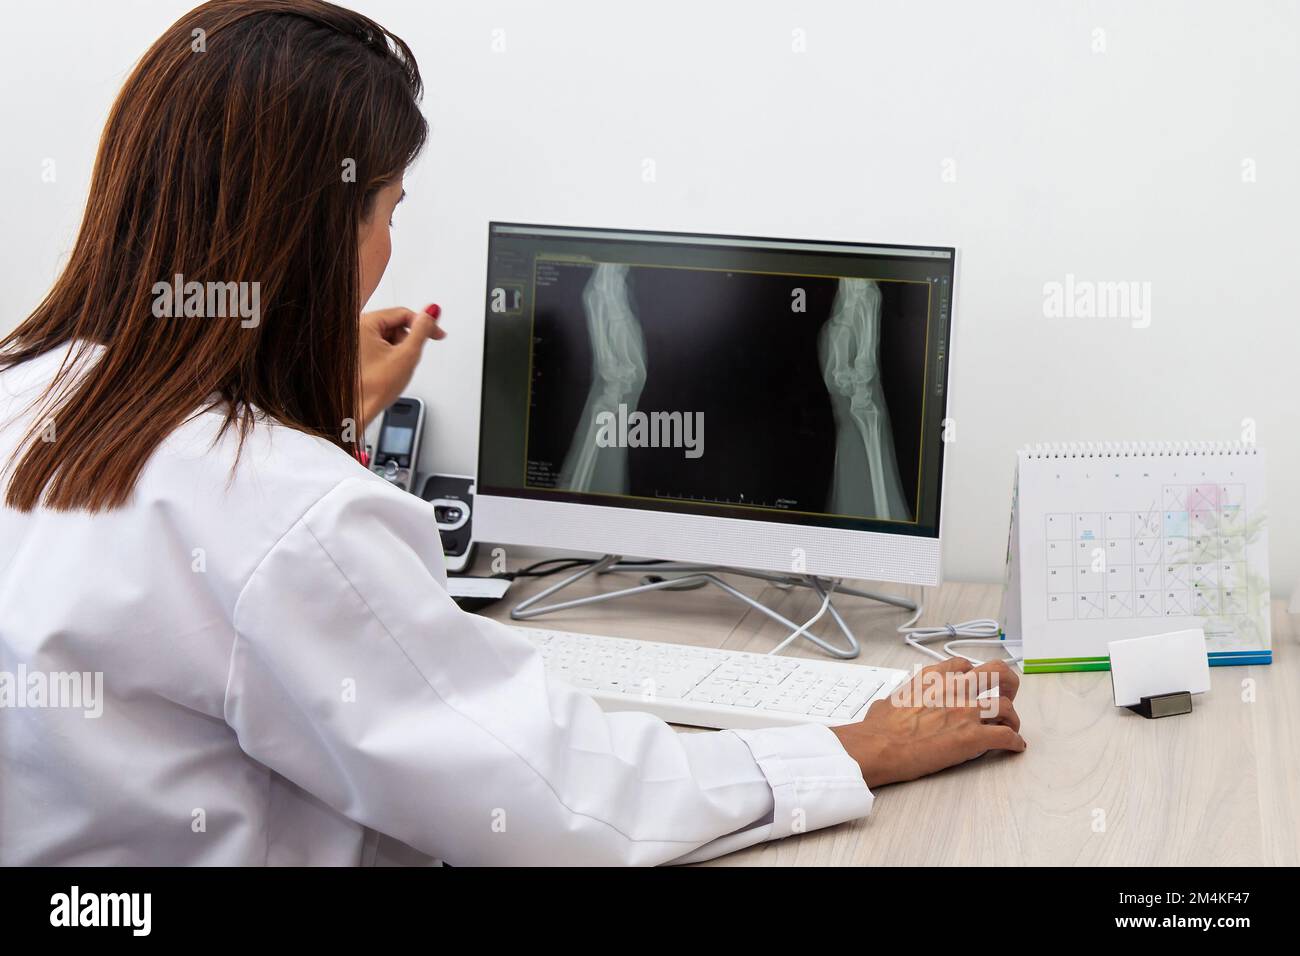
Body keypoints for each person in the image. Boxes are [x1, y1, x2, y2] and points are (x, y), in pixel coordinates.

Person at [0, 0, 1024, 866]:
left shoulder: (27, 395)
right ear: (313, 241)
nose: (389, 247)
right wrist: (857, 744)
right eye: (387, 208)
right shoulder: (277, 508)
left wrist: (312, 416)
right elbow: (560, 800)